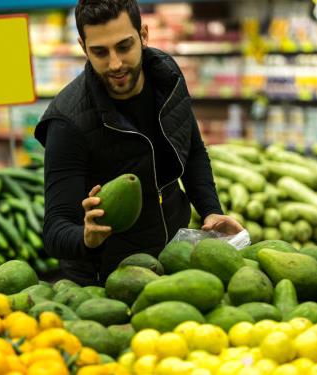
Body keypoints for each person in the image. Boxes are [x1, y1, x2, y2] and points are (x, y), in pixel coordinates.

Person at [34, 0, 243, 286]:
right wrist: (86, 237)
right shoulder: (68, 121)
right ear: (83, 47)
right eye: (100, 52)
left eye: (124, 46)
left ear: (143, 35)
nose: (115, 64)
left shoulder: (167, 78)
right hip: (108, 283)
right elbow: (56, 230)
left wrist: (211, 211)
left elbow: (192, 152)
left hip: (173, 259)